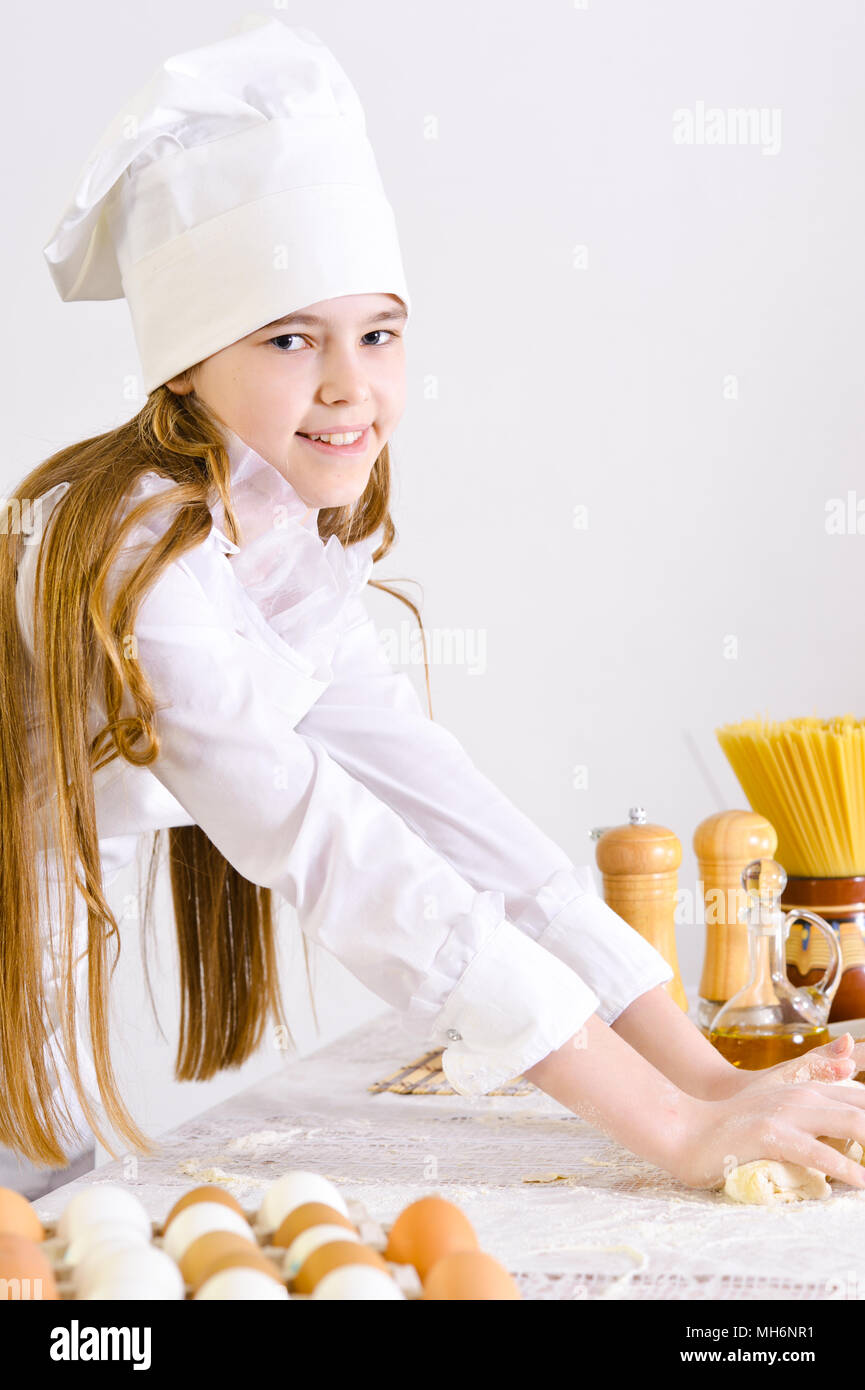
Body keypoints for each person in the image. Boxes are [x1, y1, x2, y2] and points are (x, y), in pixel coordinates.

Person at [3, 14, 865, 1200]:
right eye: (291, 336)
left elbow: (451, 820)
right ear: (186, 363)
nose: (350, 382)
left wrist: (705, 1078)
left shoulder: (275, 549)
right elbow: (337, 855)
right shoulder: (139, 557)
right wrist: (663, 1129)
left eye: (378, 332)